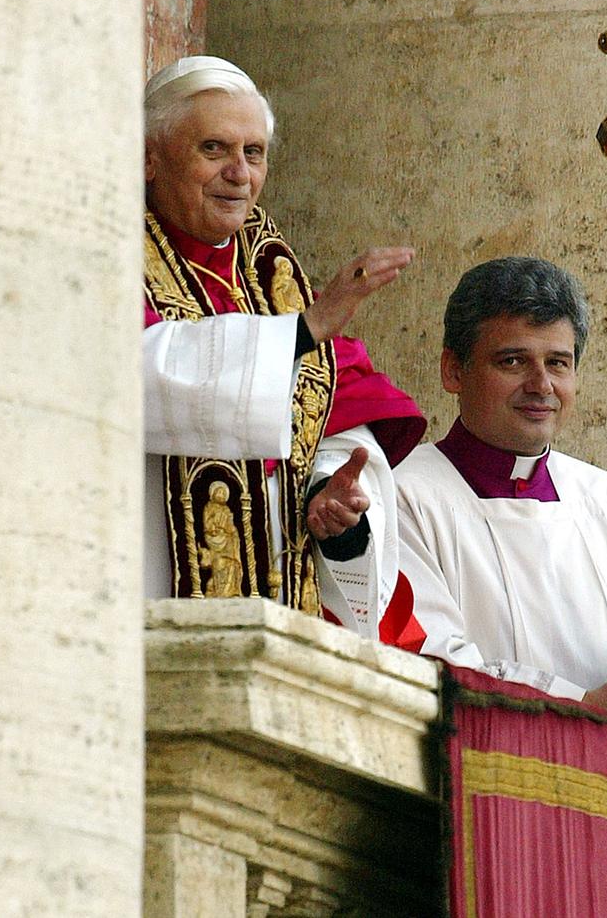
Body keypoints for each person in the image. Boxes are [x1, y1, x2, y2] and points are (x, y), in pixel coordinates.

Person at [393, 256, 607, 754]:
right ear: (454, 370)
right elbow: (423, 664)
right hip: (487, 798)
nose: (541, 386)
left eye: (558, 363)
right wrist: (587, 708)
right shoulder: (402, 497)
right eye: (512, 361)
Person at [143, 55, 425, 643]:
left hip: (274, 633)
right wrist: (303, 329)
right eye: (214, 149)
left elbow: (333, 428)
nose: (239, 174)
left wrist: (331, 504)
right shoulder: (103, 249)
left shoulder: (272, 272)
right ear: (149, 157)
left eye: (254, 153)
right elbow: (131, 376)